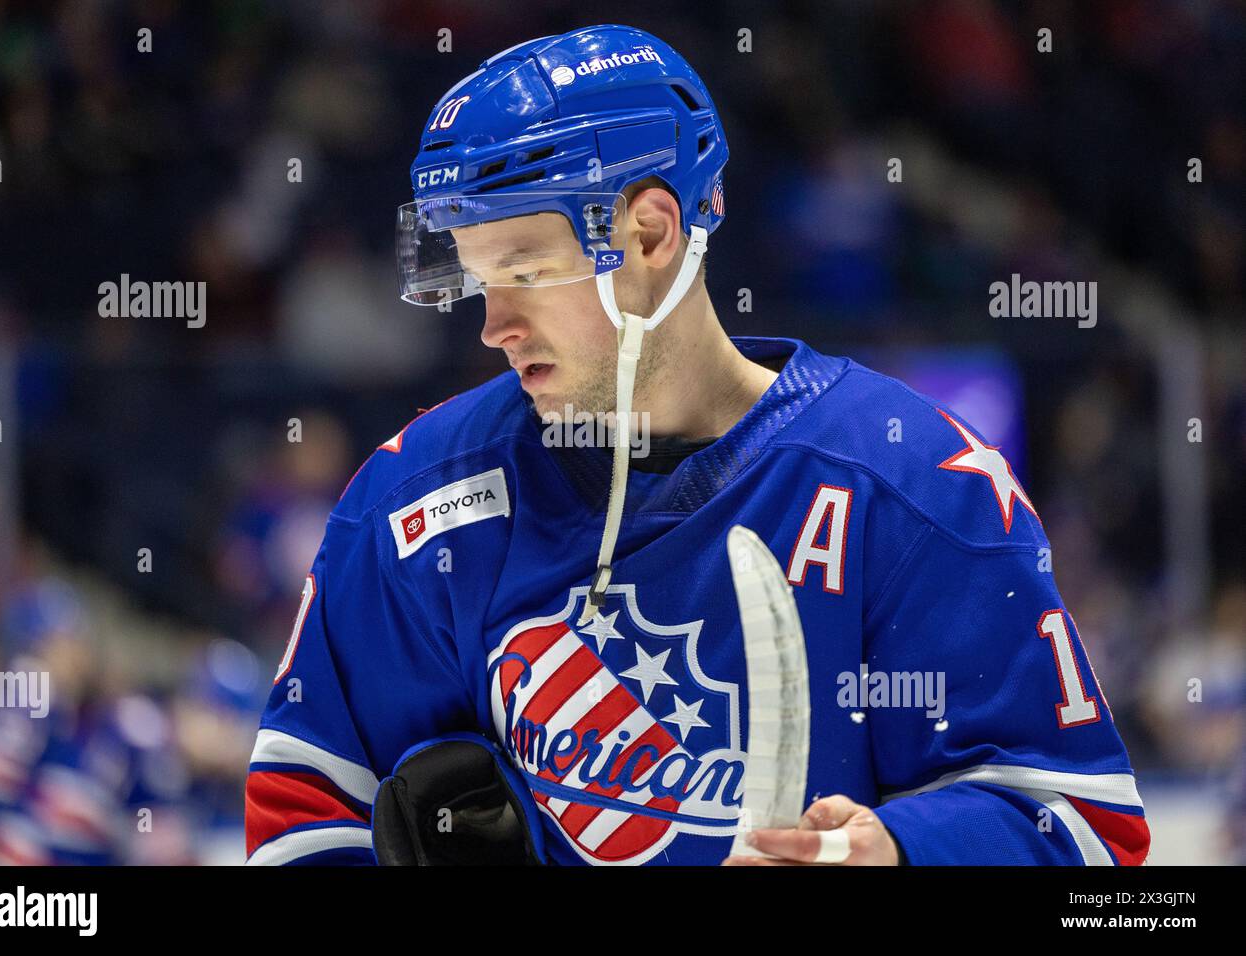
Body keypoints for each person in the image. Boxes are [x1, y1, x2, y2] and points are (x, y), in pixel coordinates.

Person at [244, 24, 1149, 866]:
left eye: (523, 273)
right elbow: (301, 811)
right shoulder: (416, 506)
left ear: (649, 232)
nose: (496, 327)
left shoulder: (914, 482)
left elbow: (1086, 825)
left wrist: (904, 850)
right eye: (482, 281)